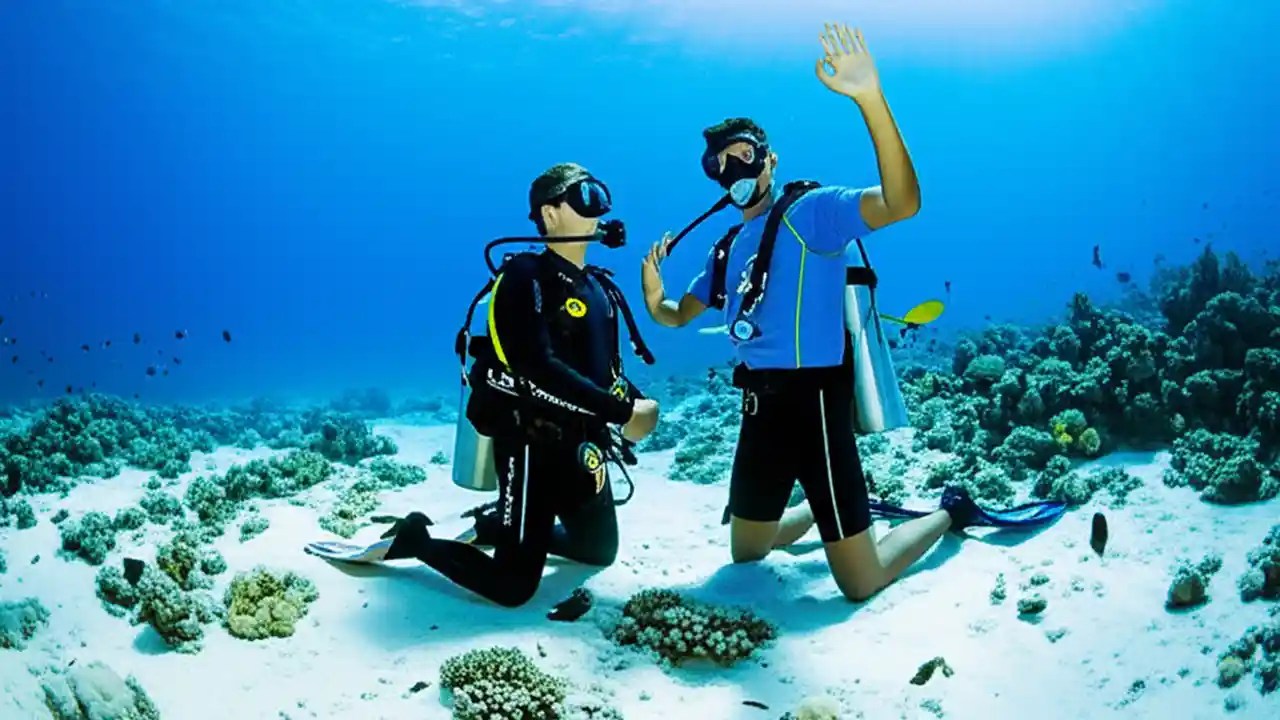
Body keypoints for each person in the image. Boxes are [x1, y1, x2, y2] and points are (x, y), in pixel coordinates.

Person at [639, 22, 981, 602]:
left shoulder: (812, 212)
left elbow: (903, 202)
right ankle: (839, 514)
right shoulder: (725, 247)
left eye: (743, 157)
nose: (733, 174)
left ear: (769, 159)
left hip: (816, 407)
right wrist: (653, 297)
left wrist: (869, 98)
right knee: (748, 551)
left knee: (859, 581)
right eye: (718, 166)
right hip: (756, 412)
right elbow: (678, 316)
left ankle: (950, 510)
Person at [306, 163, 660, 608]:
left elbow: (603, 372)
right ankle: (416, 539)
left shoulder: (599, 288)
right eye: (584, 197)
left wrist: (635, 400)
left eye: (600, 195)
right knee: (513, 587)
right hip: (532, 442)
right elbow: (535, 366)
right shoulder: (524, 277)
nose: (599, 208)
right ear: (549, 215)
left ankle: (496, 526)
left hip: (583, 442)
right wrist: (623, 414)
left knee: (598, 551)